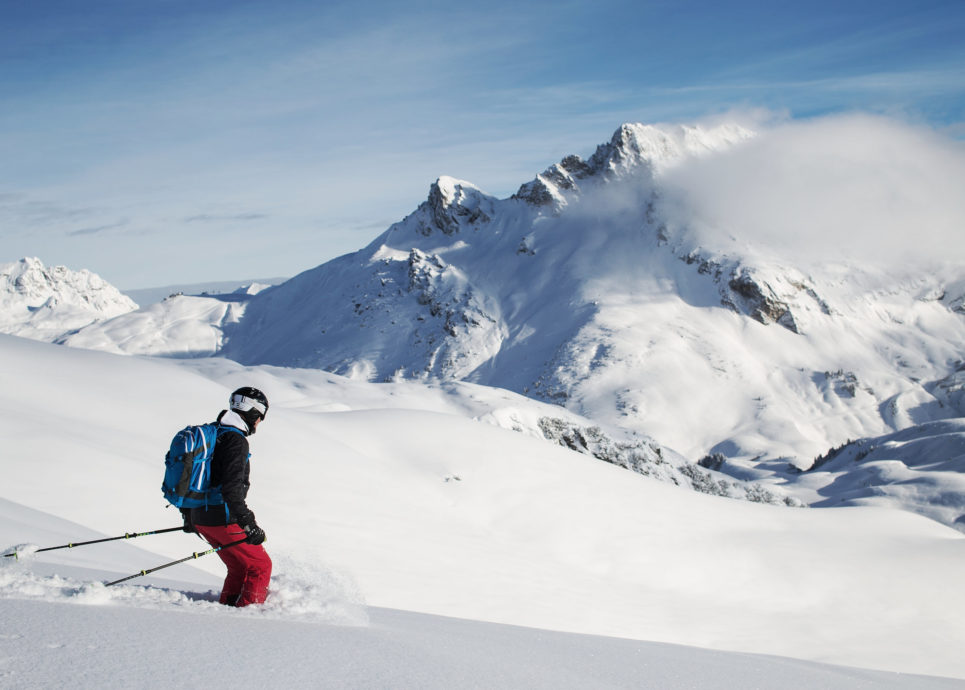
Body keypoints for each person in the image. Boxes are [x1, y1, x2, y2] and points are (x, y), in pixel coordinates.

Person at [182, 386, 272, 607]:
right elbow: (231, 489)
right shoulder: (235, 441)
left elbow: (193, 476)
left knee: (240, 567)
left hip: (199, 516)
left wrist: (189, 516)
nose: (259, 422)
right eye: (260, 417)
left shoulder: (214, 433)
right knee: (260, 565)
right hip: (221, 517)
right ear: (252, 413)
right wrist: (248, 523)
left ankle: (227, 611)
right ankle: (250, 616)